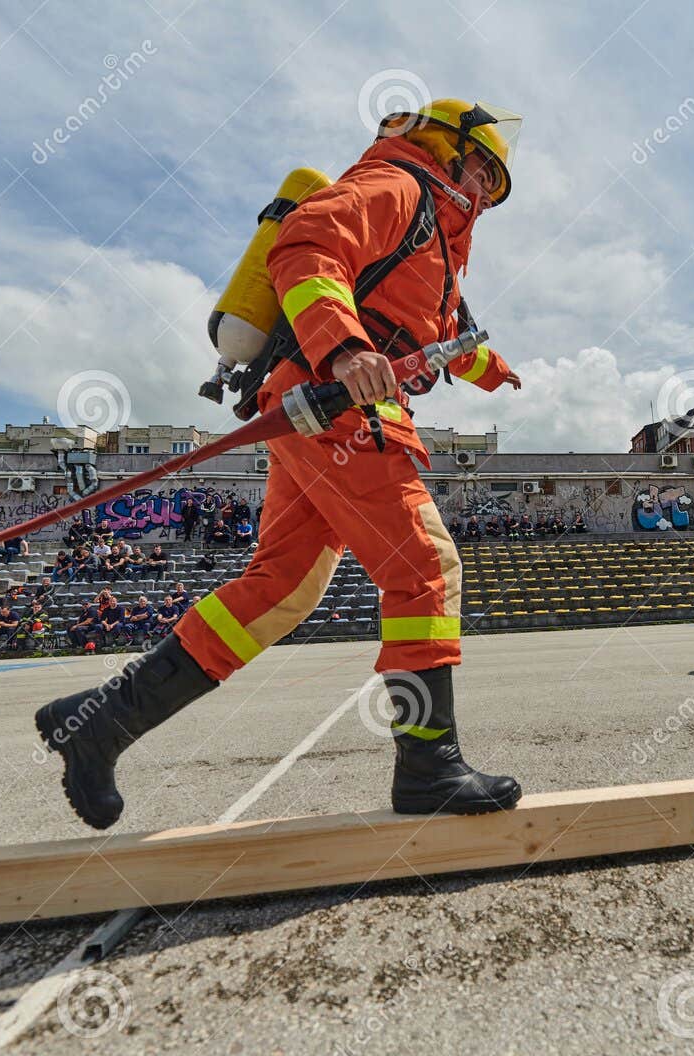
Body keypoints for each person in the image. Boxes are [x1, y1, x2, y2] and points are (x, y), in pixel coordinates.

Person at [37, 97, 526, 830]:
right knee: (425, 567)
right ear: (447, 149)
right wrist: (345, 347)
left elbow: (438, 327)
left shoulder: (441, 243)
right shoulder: (401, 184)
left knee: (281, 589)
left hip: (315, 408)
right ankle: (428, 767)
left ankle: (104, 721)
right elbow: (307, 244)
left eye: (495, 179)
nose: (485, 188)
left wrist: (492, 369)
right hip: (338, 405)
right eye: (482, 167)